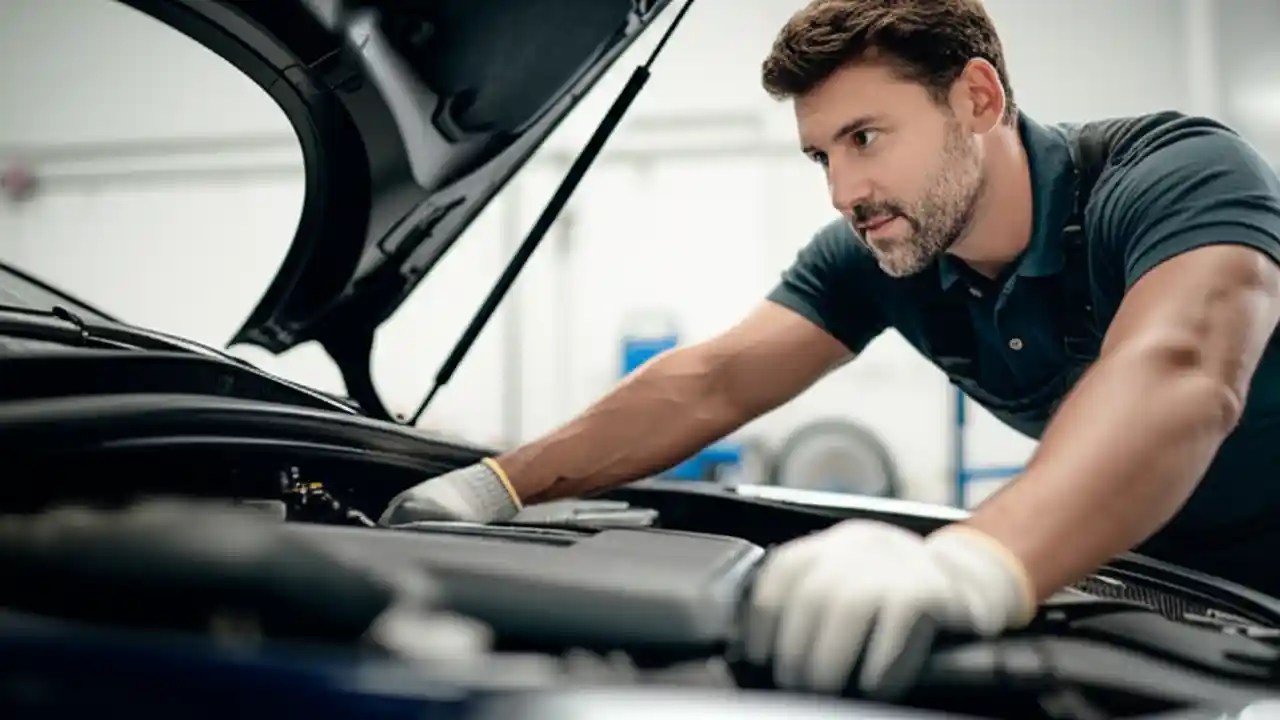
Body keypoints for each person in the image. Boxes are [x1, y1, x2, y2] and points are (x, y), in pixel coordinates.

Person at [380, 0, 1280, 699]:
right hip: (1171, 576)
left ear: (978, 98)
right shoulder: (884, 253)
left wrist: (975, 561)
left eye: (865, 138)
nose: (845, 191)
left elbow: (1181, 373)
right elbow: (713, 381)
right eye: (821, 156)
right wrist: (494, 484)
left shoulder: (1173, 176)